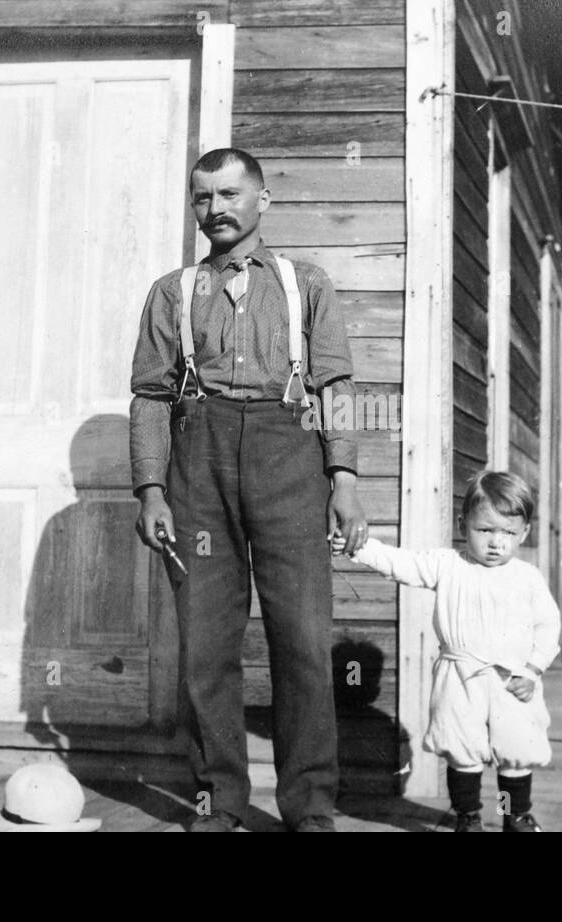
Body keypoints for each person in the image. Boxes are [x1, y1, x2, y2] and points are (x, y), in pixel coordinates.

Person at [129, 148, 368, 832]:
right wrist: (151, 490)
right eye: (203, 198)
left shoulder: (306, 284)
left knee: (303, 644)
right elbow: (150, 396)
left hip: (288, 457)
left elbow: (335, 386)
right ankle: (219, 801)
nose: (216, 209)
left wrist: (344, 480)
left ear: (263, 200)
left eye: (230, 194)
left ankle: (310, 807)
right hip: (198, 463)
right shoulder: (173, 292)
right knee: (206, 647)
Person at [333, 470, 560, 832]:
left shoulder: (527, 577)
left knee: (515, 750)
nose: (496, 543)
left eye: (508, 533)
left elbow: (548, 627)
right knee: (462, 749)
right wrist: (359, 547)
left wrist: (532, 670)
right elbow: (403, 564)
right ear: (462, 524)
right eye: (484, 530)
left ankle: (513, 814)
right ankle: (468, 817)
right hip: (459, 677)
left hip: (512, 679)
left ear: (524, 533)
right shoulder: (448, 565)